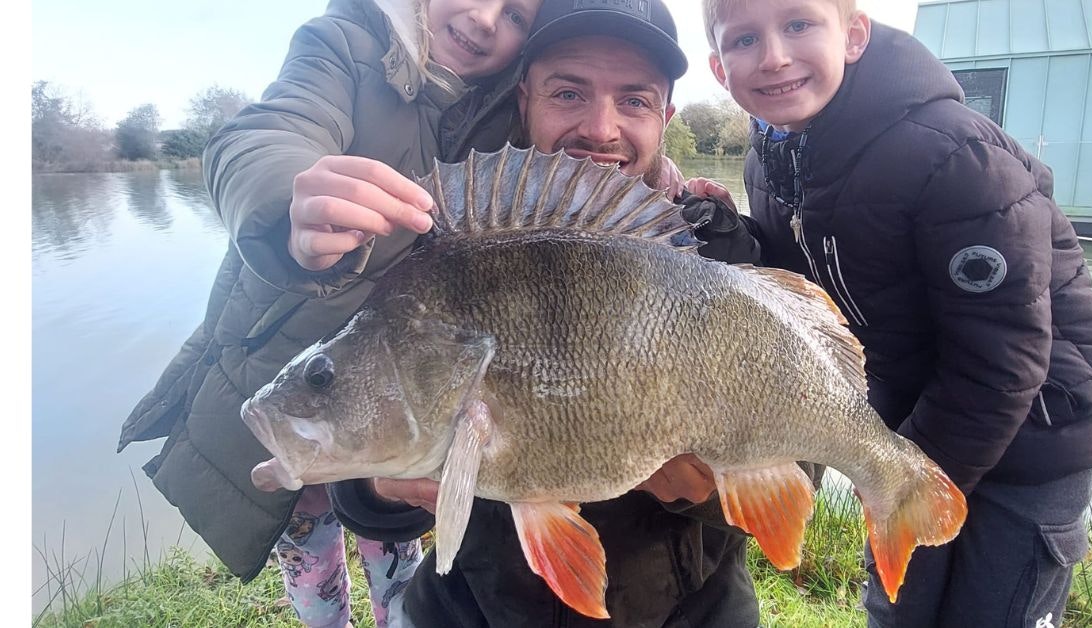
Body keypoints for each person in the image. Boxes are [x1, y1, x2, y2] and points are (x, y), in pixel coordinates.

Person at [327, 1, 778, 626]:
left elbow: (804, 460)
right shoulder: (443, 246)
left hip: (693, 609)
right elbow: (361, 499)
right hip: (476, 606)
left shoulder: (721, 251)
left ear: (665, 117)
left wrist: (702, 493)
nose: (601, 128)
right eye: (568, 93)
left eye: (635, 100)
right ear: (524, 101)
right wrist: (382, 483)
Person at [117, 0, 545, 626]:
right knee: (307, 552)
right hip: (291, 380)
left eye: (517, 17)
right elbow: (264, 134)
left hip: (402, 399)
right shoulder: (344, 45)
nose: (485, 18)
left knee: (394, 548)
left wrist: (657, 174)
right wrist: (288, 199)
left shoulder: (508, 111)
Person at [699, 0, 1092, 626]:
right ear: (717, 68)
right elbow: (796, 285)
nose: (775, 57)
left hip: (1035, 433)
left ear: (854, 36)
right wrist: (722, 226)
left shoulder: (952, 154)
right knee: (899, 608)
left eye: (798, 24)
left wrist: (900, 475)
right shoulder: (768, 159)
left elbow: (1004, 354)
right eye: (743, 40)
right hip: (913, 427)